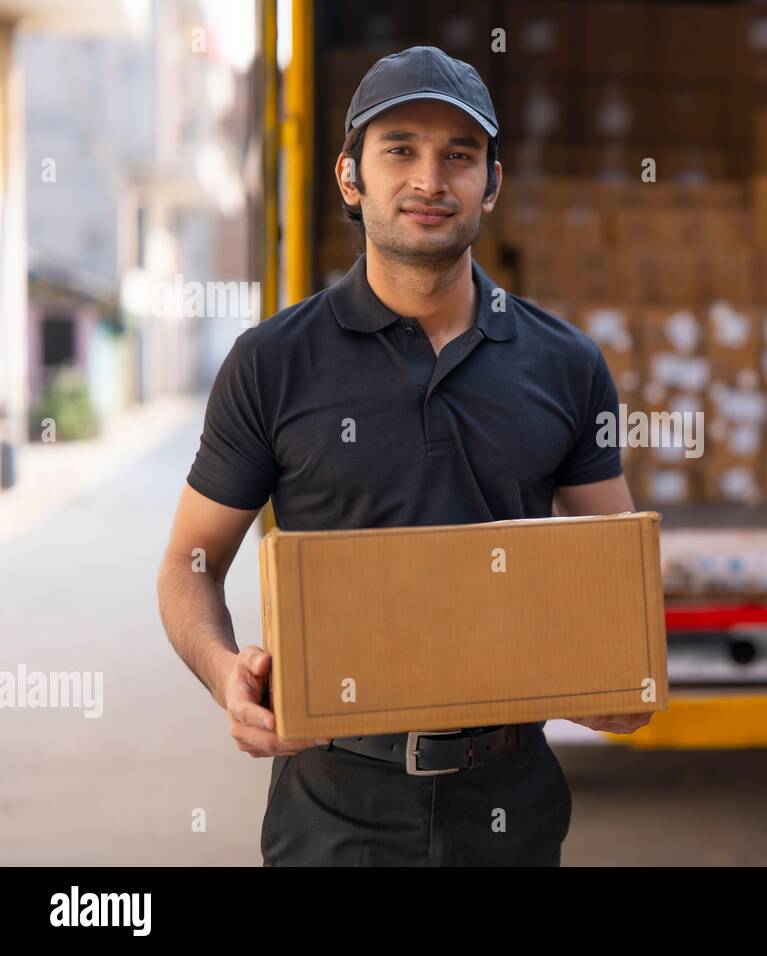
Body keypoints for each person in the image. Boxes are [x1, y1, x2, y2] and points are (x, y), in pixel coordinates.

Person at [156, 46, 649, 866]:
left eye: (460, 155)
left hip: (510, 804)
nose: (431, 179)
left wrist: (618, 670)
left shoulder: (566, 364)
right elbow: (188, 564)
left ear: (491, 183)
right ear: (350, 176)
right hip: (335, 808)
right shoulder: (273, 363)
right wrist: (224, 675)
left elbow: (615, 563)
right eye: (401, 149)